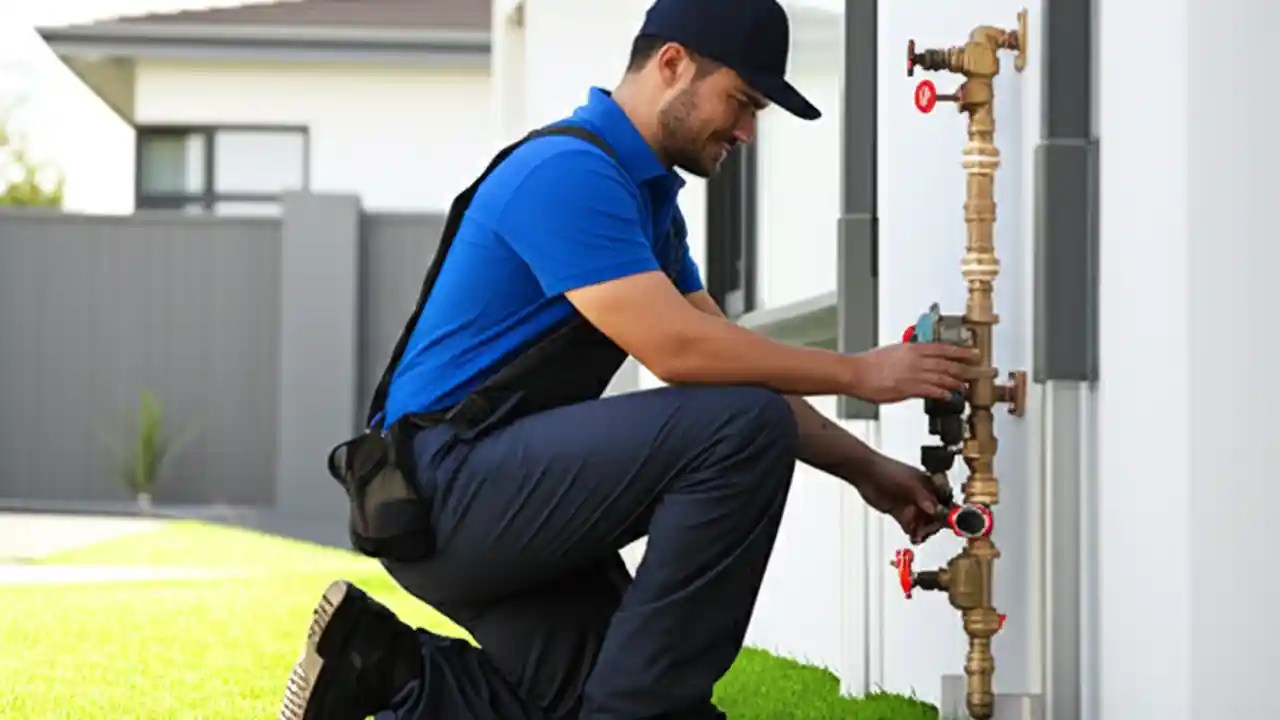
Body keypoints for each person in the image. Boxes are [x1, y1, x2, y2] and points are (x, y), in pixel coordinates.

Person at [278, 0, 978, 718]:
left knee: (596, 693)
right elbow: (678, 349)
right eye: (741, 101)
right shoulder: (568, 173)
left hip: (488, 497)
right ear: (672, 64)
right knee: (740, 430)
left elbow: (729, 356)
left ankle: (384, 670)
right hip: (448, 490)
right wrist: (859, 373)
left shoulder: (645, 204)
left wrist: (867, 470)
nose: (746, 131)